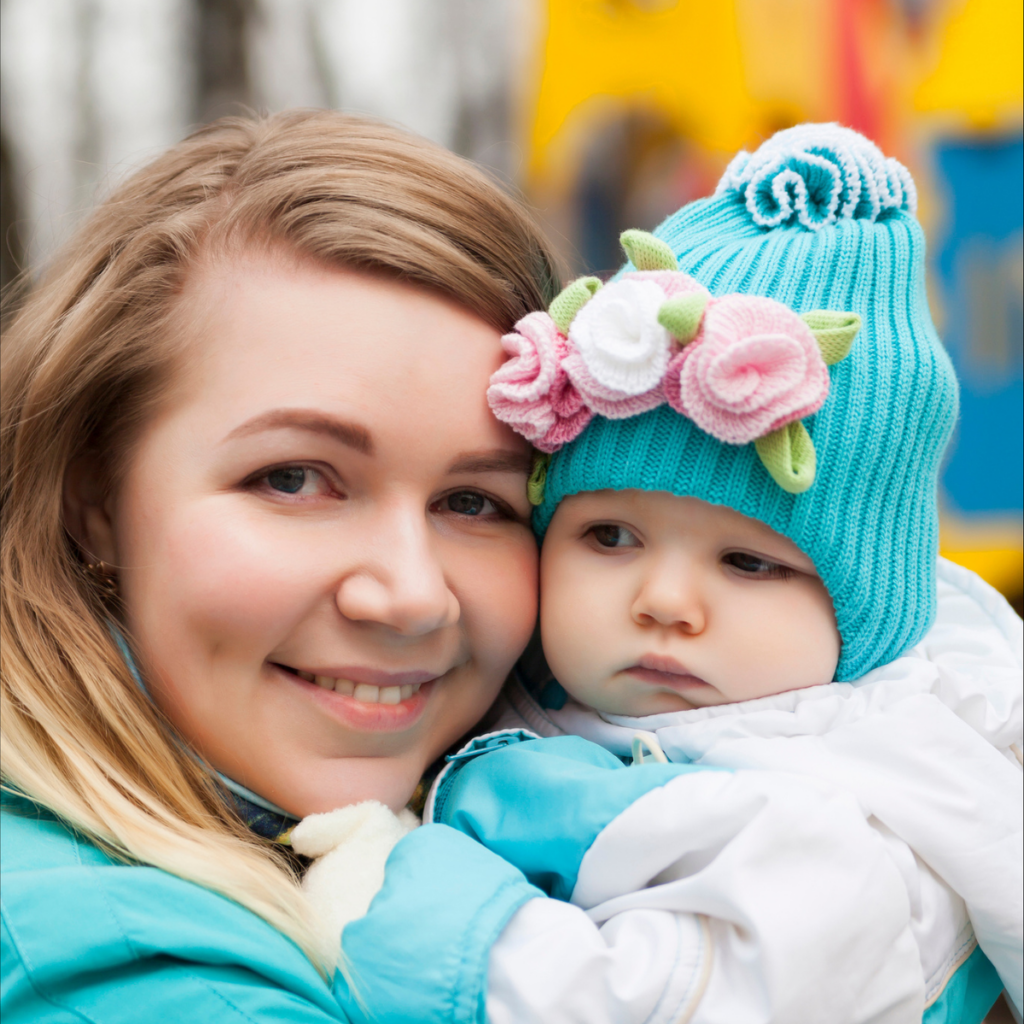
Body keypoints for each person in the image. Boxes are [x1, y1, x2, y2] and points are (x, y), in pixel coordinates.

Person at [333, 125, 1022, 1024]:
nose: (663, 601)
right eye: (610, 535)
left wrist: (372, 895)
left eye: (748, 562)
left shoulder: (845, 820)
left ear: (870, 614)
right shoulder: (561, 706)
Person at [1, 109, 562, 1021]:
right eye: (294, 479)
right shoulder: (126, 969)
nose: (410, 595)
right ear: (93, 501)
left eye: (477, 502)